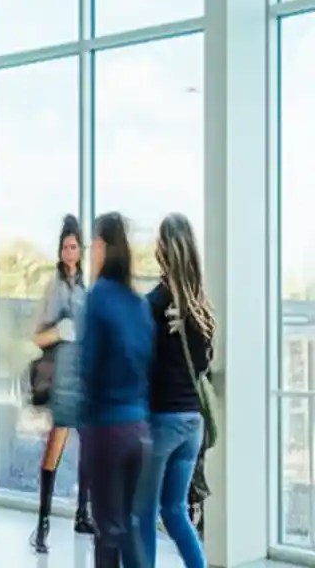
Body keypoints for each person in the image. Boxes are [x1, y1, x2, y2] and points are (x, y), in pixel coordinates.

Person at [135, 214, 212, 568]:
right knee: (175, 511)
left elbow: (140, 364)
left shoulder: (152, 304)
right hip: (192, 424)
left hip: (162, 421)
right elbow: (201, 367)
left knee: (143, 515)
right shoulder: (201, 309)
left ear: (162, 250)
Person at [79, 212, 154, 568]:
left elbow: (89, 366)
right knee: (128, 526)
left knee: (107, 532)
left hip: (106, 429)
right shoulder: (139, 304)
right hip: (139, 431)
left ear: (103, 248)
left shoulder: (99, 297)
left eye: (94, 244)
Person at [30, 215, 95, 553]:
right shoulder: (55, 288)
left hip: (83, 376)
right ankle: (41, 524)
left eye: (74, 246)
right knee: (55, 446)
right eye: (65, 246)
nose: (70, 252)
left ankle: (83, 513)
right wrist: (60, 331)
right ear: (60, 250)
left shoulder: (86, 286)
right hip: (63, 379)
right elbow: (37, 335)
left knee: (88, 447)